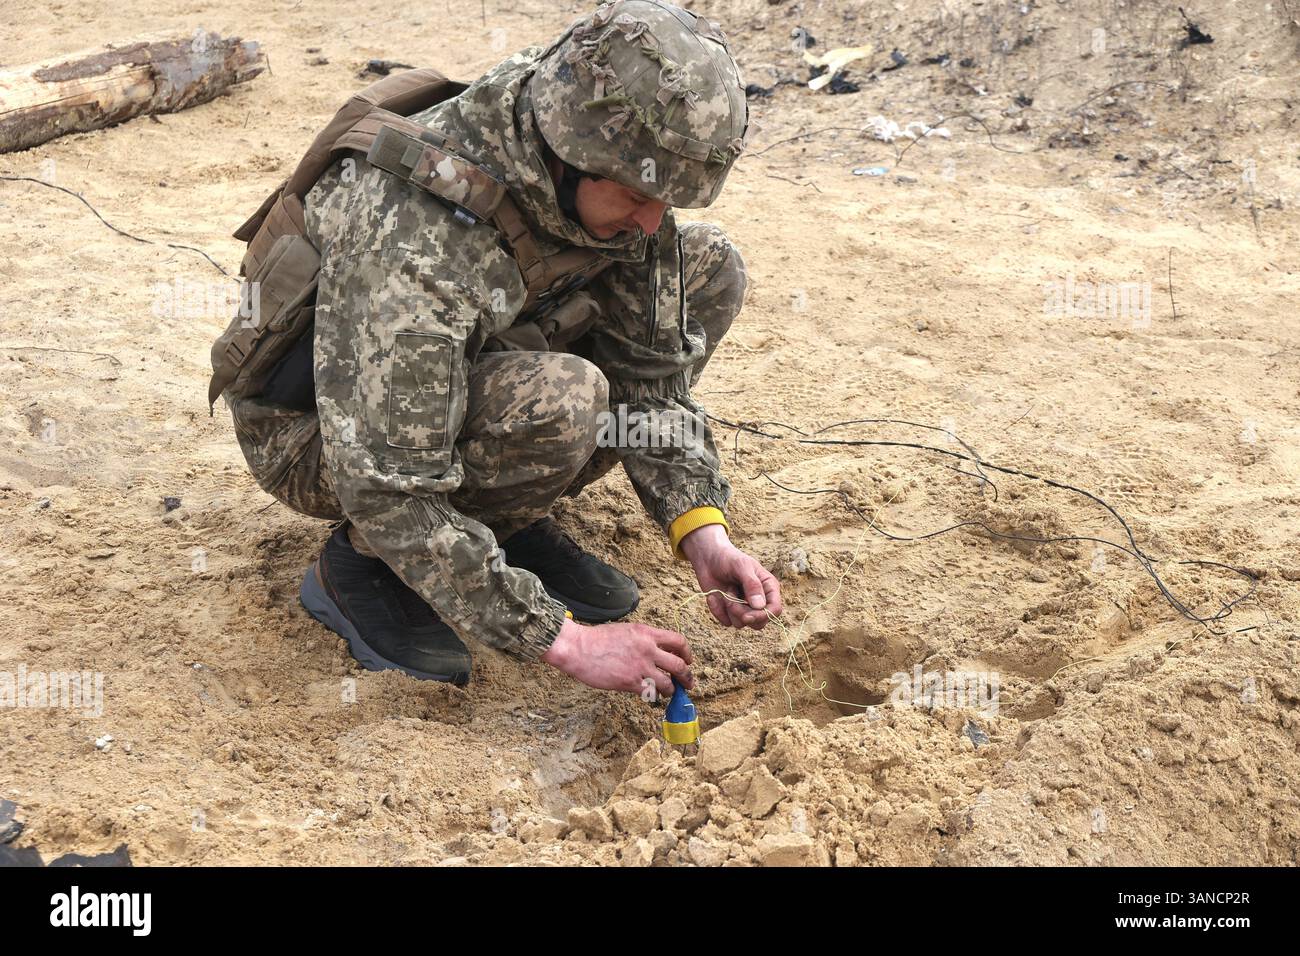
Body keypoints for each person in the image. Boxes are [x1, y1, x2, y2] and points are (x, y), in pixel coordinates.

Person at [227, 0, 783, 698]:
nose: (652, 219)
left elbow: (651, 379)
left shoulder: (585, 127)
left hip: (456, 373)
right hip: (319, 438)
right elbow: (386, 484)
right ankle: (360, 569)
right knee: (566, 400)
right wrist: (565, 639)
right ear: (574, 155)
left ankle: (503, 520)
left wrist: (701, 528)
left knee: (709, 266)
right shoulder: (415, 235)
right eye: (641, 193)